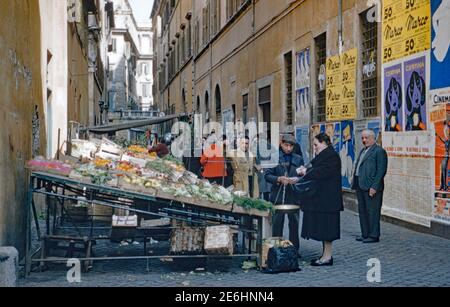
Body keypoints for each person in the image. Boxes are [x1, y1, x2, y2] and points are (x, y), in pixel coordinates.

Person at [297, 133, 343, 266]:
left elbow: (321, 172)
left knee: (327, 229)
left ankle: (327, 257)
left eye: (316, 144)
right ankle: (325, 255)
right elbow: (314, 167)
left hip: (328, 201)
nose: (314, 147)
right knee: (324, 229)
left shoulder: (332, 156)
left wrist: (306, 172)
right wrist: (305, 169)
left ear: (324, 143)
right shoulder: (325, 156)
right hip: (323, 200)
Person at [265, 134, 304, 255]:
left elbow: (302, 175)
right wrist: (278, 179)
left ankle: (294, 250)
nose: (288, 148)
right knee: (277, 224)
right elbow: (267, 175)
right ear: (281, 144)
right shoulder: (274, 157)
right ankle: (277, 250)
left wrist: (297, 178)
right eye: (286, 145)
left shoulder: (298, 158)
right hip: (278, 195)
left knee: (294, 225)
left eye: (291, 146)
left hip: (293, 196)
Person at [351, 129, 388, 243]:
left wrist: (374, 187)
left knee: (372, 212)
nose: (364, 140)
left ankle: (373, 235)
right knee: (362, 211)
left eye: (366, 138)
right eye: (362, 138)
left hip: (371, 187)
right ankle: (365, 234)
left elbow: (381, 170)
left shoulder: (379, 151)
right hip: (360, 185)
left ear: (373, 138)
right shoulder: (363, 150)